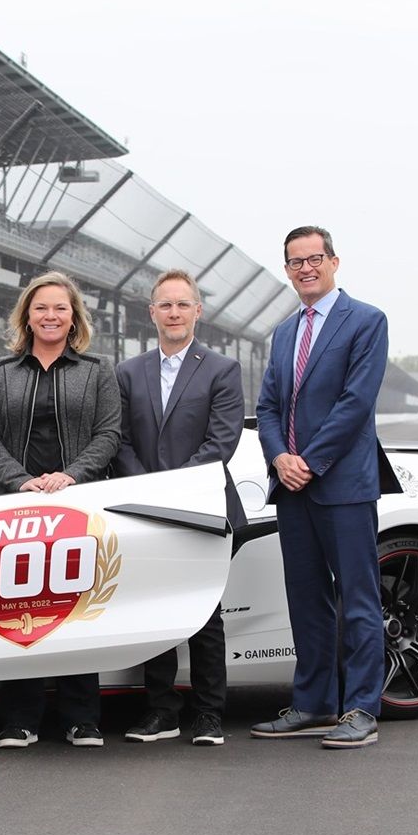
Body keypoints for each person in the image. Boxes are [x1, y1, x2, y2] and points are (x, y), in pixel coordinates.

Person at [252, 225, 393, 749]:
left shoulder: (367, 321)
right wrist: (279, 457)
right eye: (295, 262)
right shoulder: (285, 332)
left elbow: (356, 404)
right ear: (287, 270)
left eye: (315, 258)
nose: (305, 268)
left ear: (335, 262)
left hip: (344, 485)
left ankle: (361, 709)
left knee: (359, 600)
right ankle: (313, 703)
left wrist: (308, 461)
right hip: (292, 487)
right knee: (306, 600)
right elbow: (268, 407)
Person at [0, 270, 122, 749]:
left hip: (77, 502)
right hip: (16, 506)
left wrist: (71, 477)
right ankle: (20, 718)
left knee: (78, 607)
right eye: (41, 308)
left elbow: (108, 435)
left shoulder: (98, 370)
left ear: (74, 315)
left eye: (60, 307)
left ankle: (83, 718)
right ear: (27, 316)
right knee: (19, 607)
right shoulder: (0, 371)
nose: (51, 315)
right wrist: (21, 482)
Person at [111, 269, 244, 748]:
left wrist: (177, 486)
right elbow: (120, 440)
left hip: (204, 507)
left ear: (197, 311)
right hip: (145, 510)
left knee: (206, 615)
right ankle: (161, 713)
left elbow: (222, 440)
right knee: (155, 613)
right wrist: (150, 489)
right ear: (152, 313)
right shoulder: (128, 372)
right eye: (165, 305)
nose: (174, 312)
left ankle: (209, 715)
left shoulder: (222, 370)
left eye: (183, 304)